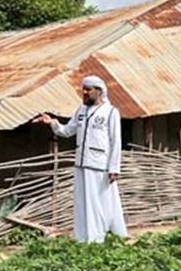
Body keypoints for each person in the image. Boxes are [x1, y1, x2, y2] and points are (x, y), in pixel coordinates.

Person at [33, 76, 128, 243]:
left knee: (99, 203)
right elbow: (67, 131)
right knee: (83, 203)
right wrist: (52, 122)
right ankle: (83, 238)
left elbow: (116, 141)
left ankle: (98, 238)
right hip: (81, 164)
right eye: (83, 89)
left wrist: (114, 168)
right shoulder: (81, 111)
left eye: (88, 89)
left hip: (100, 165)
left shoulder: (110, 112)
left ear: (98, 91)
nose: (84, 93)